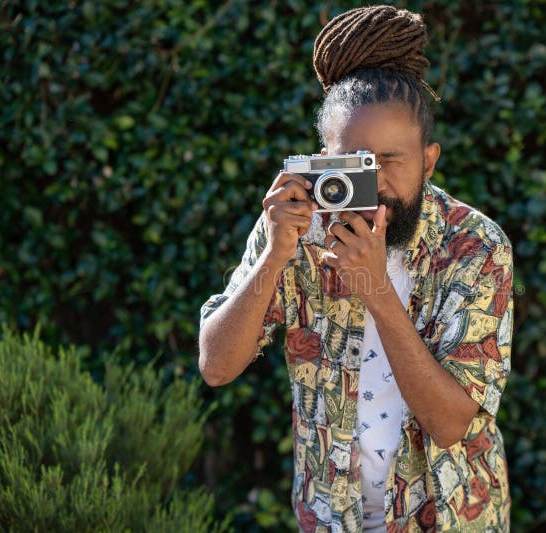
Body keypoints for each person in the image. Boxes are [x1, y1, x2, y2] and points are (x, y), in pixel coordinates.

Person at [198, 5, 514, 532]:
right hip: (331, 518)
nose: (374, 184)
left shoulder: (474, 246)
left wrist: (376, 292)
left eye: (389, 161)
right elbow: (216, 367)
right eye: (354, 163)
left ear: (429, 161)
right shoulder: (294, 230)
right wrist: (275, 255)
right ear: (324, 158)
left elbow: (451, 423)